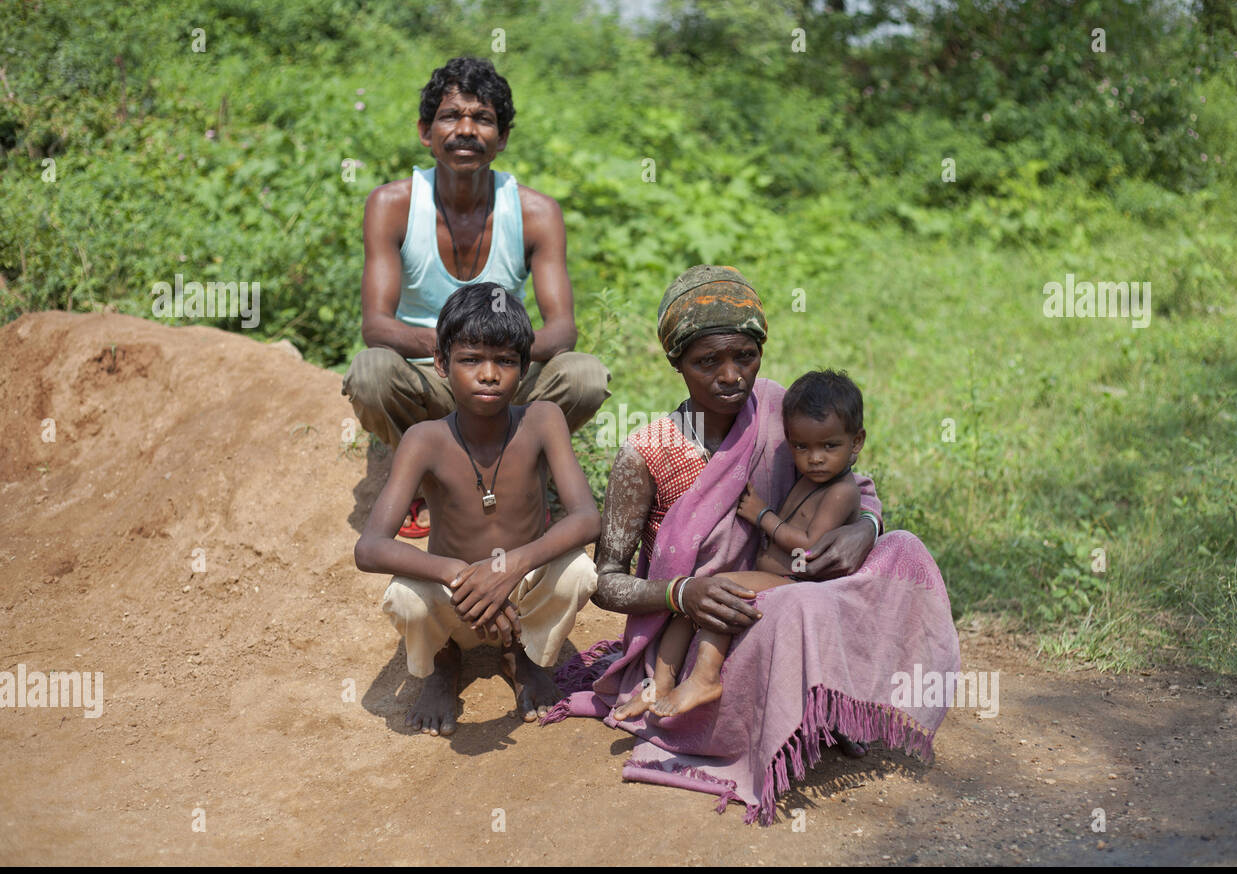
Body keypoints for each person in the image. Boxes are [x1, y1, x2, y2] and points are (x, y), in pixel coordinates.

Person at [541, 265, 961, 826]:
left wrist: (868, 528)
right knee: (796, 604)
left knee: (903, 547)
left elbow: (849, 486)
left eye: (745, 356)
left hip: (786, 588)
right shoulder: (646, 454)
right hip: (703, 625)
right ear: (675, 362)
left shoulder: (780, 413)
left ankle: (832, 704)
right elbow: (607, 583)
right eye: (706, 361)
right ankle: (733, 699)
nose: (730, 375)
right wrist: (681, 593)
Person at [342, 56, 611, 537]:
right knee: (371, 372)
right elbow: (376, 326)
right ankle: (426, 477)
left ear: (502, 137)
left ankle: (519, 471)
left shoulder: (535, 212)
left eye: (482, 118)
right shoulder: (392, 205)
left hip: (503, 378)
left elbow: (562, 329)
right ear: (425, 132)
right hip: (431, 376)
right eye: (451, 116)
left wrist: (496, 356)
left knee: (585, 375)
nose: (466, 129)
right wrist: (454, 354)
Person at [353, 283, 600, 736]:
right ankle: (443, 661)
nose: (489, 374)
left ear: (525, 368)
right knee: (405, 596)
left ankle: (521, 655)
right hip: (456, 597)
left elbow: (586, 518)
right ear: (442, 366)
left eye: (505, 361)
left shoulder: (543, 419)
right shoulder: (424, 439)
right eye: (471, 360)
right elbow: (369, 547)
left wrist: (509, 568)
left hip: (520, 592)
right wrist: (457, 574)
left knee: (580, 572)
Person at [611, 369, 866, 720]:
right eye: (801, 447)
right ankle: (659, 684)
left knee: (721, 595)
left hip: (797, 580)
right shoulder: (810, 475)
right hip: (773, 575)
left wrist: (763, 516)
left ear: (857, 443)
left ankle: (705, 678)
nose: (815, 458)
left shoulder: (841, 491)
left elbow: (808, 546)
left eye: (829, 446)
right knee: (690, 604)